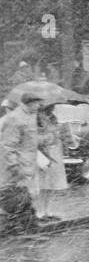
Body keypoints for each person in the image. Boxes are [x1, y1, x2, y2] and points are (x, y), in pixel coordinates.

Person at [0, 93, 41, 234]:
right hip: (18, 166)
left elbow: (29, 141)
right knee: (15, 194)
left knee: (26, 195)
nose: (39, 106)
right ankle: (19, 226)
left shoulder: (29, 116)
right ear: (28, 103)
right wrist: (14, 166)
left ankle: (24, 225)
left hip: (28, 165)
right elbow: (8, 146)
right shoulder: (15, 118)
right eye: (36, 102)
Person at [34, 103, 72, 219]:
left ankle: (47, 210)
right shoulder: (37, 119)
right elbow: (34, 138)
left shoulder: (53, 117)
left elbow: (56, 133)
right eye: (52, 106)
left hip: (54, 153)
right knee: (42, 184)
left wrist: (62, 133)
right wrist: (48, 137)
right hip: (43, 154)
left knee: (50, 184)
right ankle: (40, 211)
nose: (54, 108)